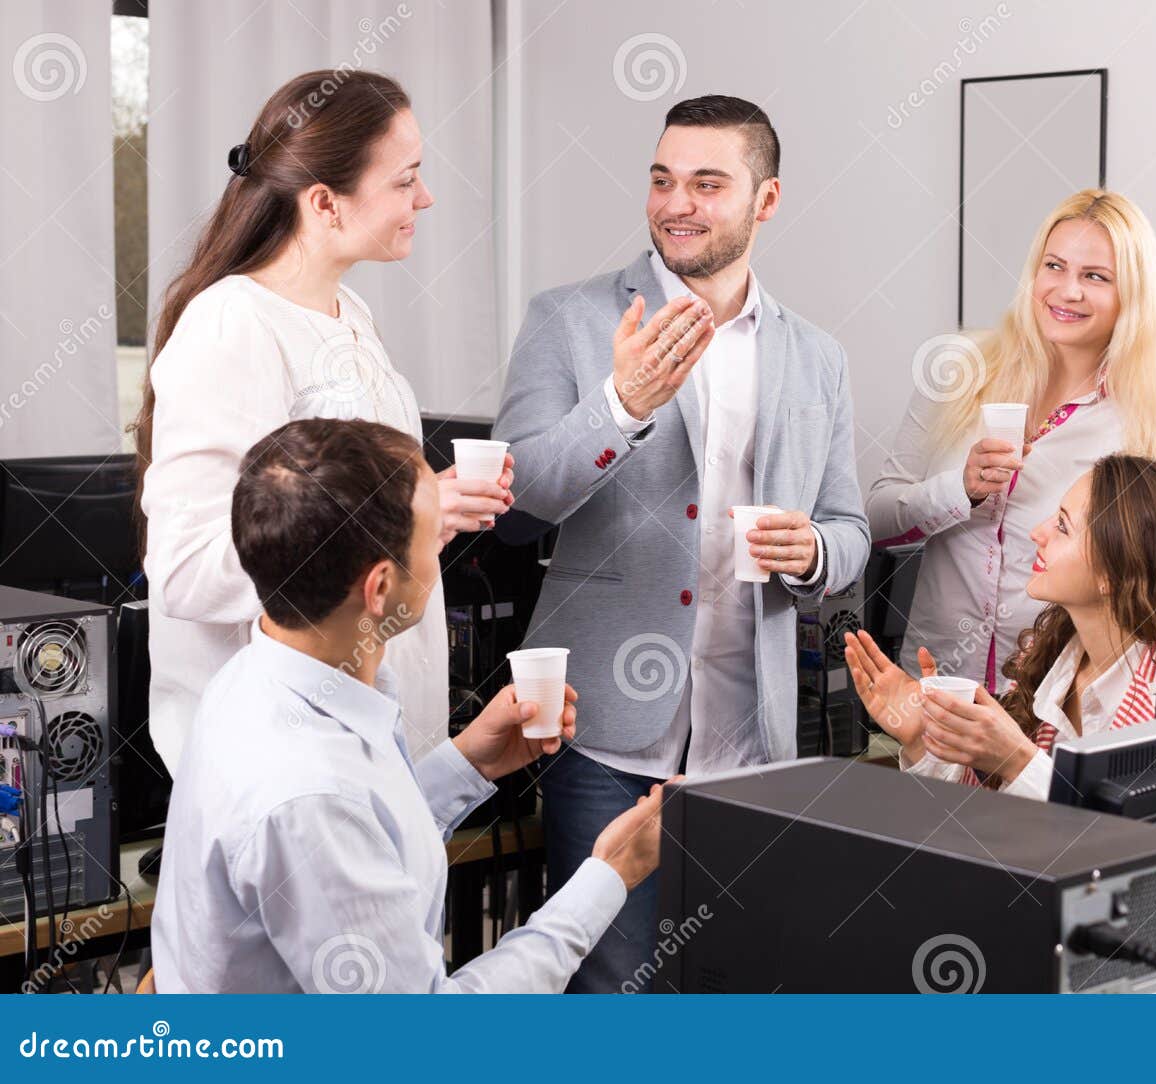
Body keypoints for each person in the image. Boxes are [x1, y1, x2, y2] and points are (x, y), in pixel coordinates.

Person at [494, 94, 869, 992]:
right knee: (611, 993)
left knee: (736, 993)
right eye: (663, 180)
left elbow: (851, 529)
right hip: (607, 741)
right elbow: (515, 504)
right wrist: (621, 406)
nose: (677, 203)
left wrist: (812, 550)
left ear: (764, 201)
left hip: (751, 741)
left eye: (707, 183)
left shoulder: (818, 356)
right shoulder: (570, 320)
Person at [152, 418, 664, 993]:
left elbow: (360, 842)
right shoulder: (307, 795)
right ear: (379, 590)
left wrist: (470, 763)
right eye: (434, 533)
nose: (446, 544)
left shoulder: (253, 681)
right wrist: (606, 879)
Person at [135, 70, 511, 772]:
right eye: (406, 180)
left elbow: (348, 508)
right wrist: (402, 512)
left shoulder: (350, 315)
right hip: (281, 760)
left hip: (372, 744)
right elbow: (187, 569)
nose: (424, 198)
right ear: (325, 203)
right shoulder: (233, 325)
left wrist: (434, 505)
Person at [866, 190, 1156, 691]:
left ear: (1132, 295)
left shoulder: (1141, 425)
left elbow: (1149, 586)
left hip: (1057, 695)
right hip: (938, 682)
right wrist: (961, 490)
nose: (1067, 291)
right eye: (1055, 266)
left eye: (1095, 277)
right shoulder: (960, 370)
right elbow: (876, 520)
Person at [847, 455, 1156, 800]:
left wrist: (1017, 759)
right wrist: (924, 739)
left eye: (1062, 526)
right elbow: (987, 825)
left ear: (1114, 572)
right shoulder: (1045, 662)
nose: (1037, 533)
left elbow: (1143, 853)